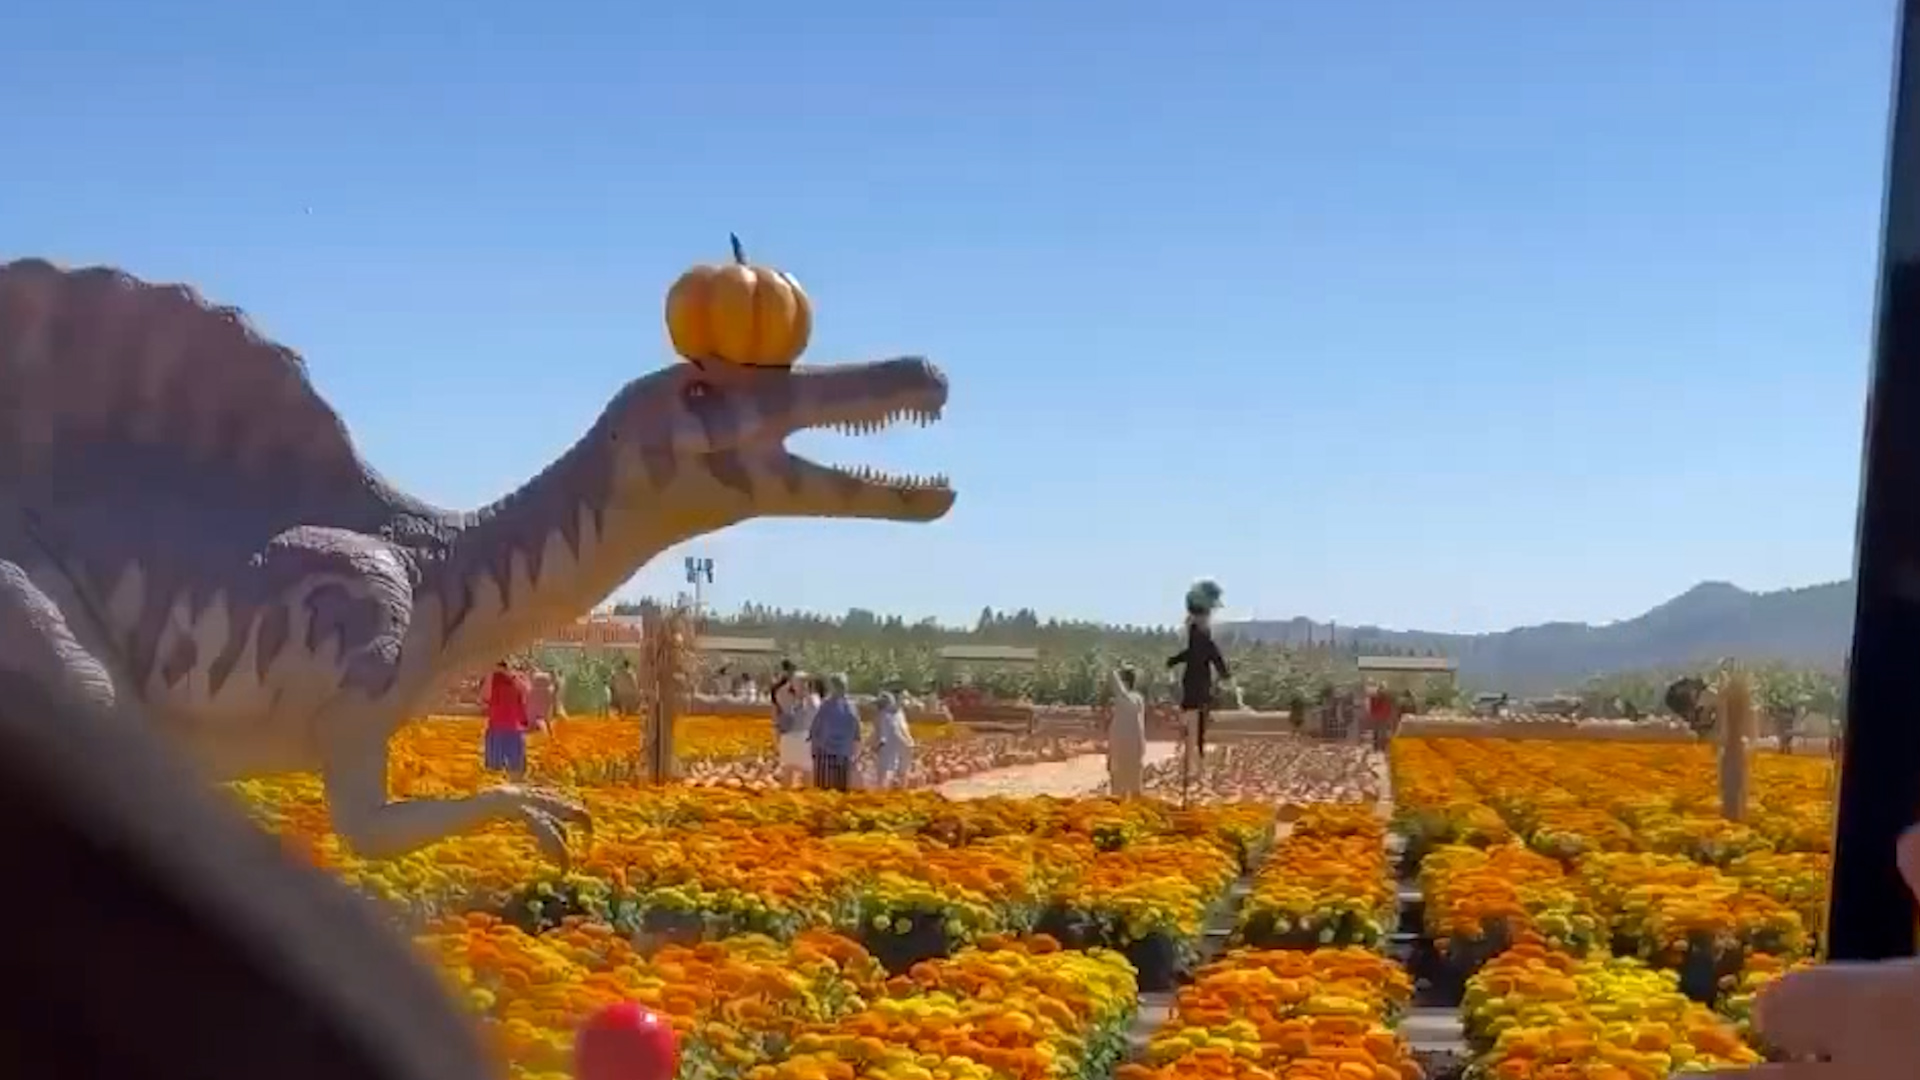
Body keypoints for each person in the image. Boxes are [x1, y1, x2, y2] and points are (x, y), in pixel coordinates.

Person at [1167, 608, 1230, 775]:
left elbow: (1183, 656)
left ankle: (1193, 756)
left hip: (1192, 691)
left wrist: (1172, 661)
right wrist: (1225, 674)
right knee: (1199, 725)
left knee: (1192, 723)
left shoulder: (1195, 647)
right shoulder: (1207, 645)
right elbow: (1218, 662)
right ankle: (1197, 756)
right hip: (1200, 692)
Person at [809, 673, 860, 792]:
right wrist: (855, 753)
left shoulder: (826, 706)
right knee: (841, 789)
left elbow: (816, 729)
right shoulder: (851, 706)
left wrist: (814, 748)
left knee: (824, 789)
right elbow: (857, 733)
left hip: (826, 753)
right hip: (843, 753)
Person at [483, 660, 531, 781]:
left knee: (501, 767)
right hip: (506, 727)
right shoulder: (498, 679)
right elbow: (485, 696)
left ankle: (509, 784)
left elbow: (485, 697)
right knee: (508, 766)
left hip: (504, 727)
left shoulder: (512, 679)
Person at [1106, 667, 1147, 798]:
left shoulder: (1129, 699)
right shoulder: (1137, 699)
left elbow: (1115, 683)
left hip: (1125, 748)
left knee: (1122, 787)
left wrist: (1112, 669)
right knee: (1131, 785)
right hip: (1133, 747)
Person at [772, 668, 812, 787]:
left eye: (805, 683)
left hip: (803, 737)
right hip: (791, 736)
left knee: (806, 771)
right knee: (789, 770)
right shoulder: (784, 696)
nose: (804, 686)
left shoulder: (810, 699)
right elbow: (780, 720)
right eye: (801, 683)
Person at [871, 691, 915, 788]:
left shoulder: (883, 715)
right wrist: (909, 743)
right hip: (906, 744)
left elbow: (883, 737)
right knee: (903, 773)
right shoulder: (898, 713)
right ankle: (902, 793)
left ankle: (882, 793)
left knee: (884, 773)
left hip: (891, 746)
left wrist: (875, 747)